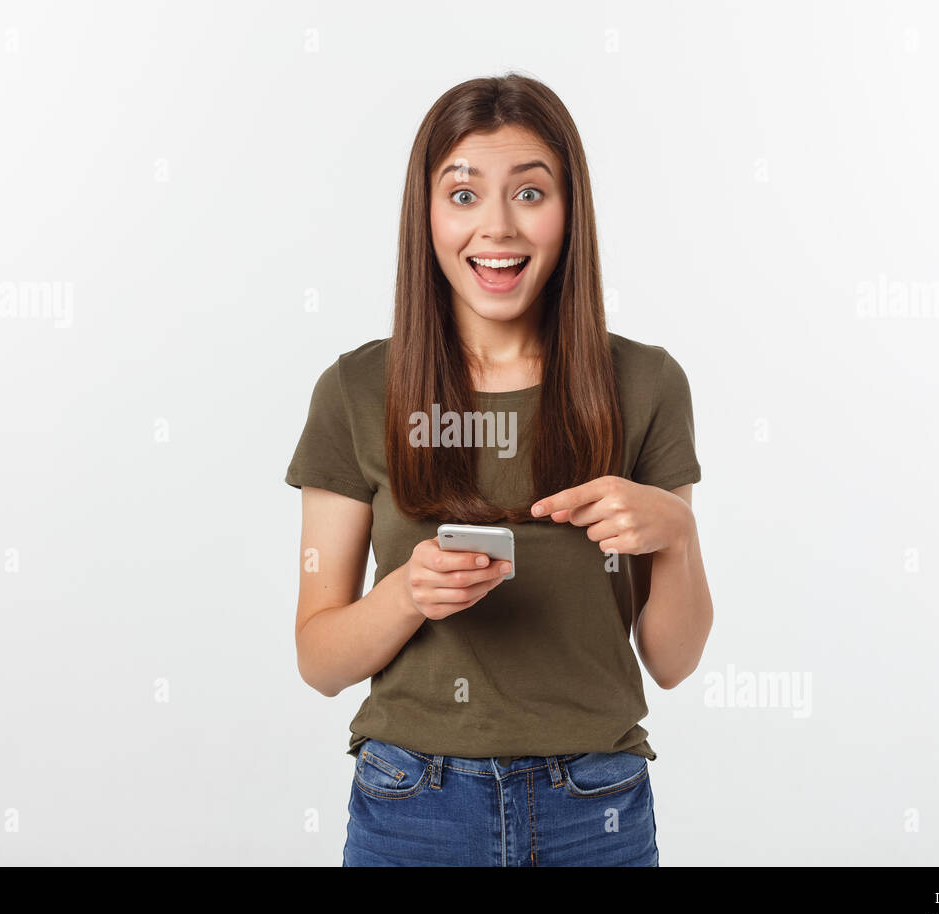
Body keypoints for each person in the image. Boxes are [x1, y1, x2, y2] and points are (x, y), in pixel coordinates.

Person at [284, 73, 713, 866]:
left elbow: (673, 661)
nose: (496, 228)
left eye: (528, 193)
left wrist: (677, 536)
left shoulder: (647, 385)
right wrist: (409, 594)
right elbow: (319, 661)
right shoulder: (356, 390)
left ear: (569, 210)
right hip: (413, 804)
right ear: (427, 215)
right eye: (463, 194)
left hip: (597, 805)